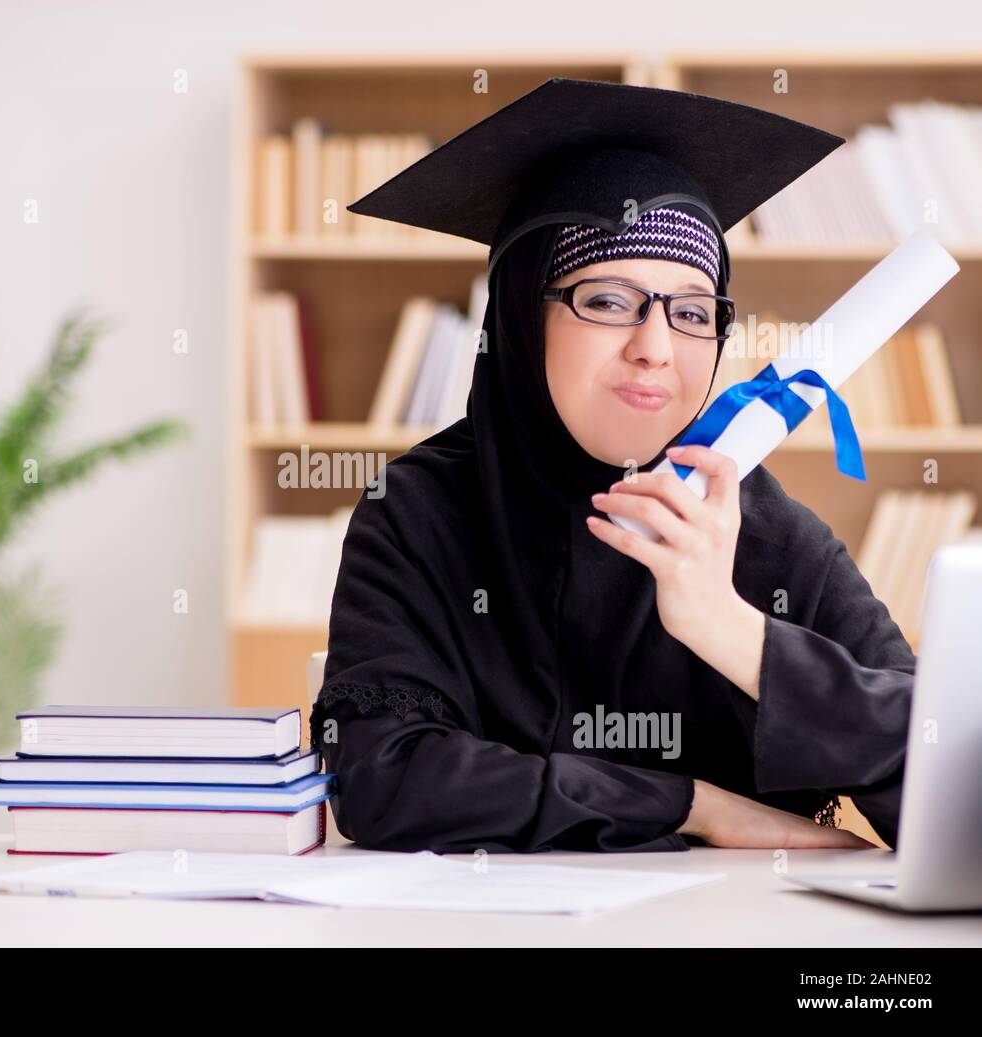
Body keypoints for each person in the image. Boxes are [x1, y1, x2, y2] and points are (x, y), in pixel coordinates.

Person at [310, 78, 915, 853]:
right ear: (522, 315)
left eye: (692, 312)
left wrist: (733, 631)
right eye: (606, 300)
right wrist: (697, 806)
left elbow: (952, 795)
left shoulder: (764, 532)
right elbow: (381, 777)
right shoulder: (418, 512)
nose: (656, 347)